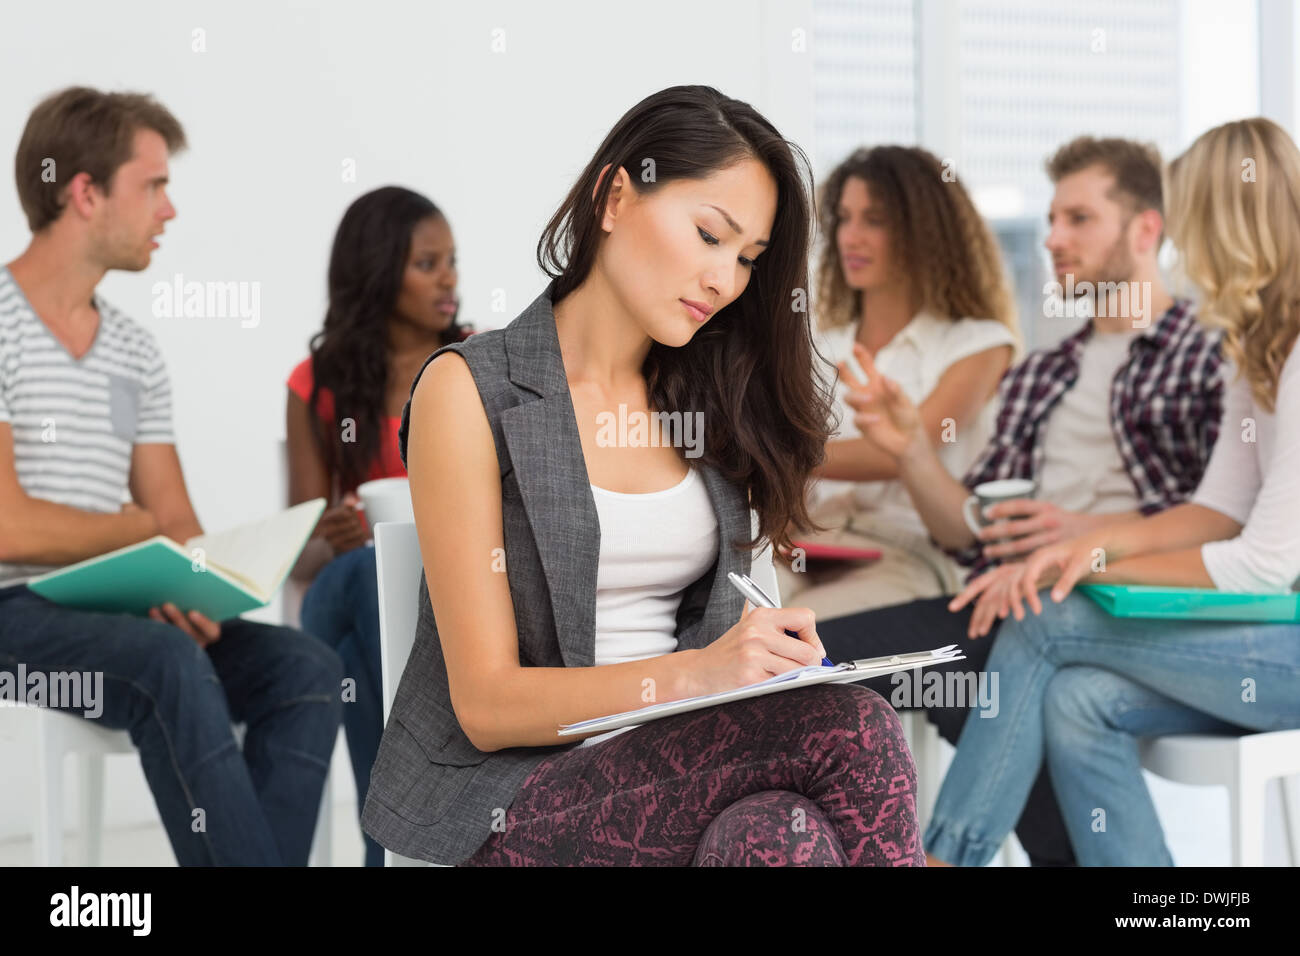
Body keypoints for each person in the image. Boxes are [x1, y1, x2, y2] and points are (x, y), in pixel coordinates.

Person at [361, 84, 924, 867]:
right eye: (708, 234)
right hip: (514, 798)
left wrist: (764, 661)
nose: (726, 280)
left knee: (772, 841)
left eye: (747, 260)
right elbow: (487, 705)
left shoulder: (712, 402)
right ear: (615, 196)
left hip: (687, 774)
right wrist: (701, 674)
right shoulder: (469, 389)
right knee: (855, 727)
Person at [813, 136, 1226, 866]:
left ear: (1146, 230)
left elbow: (1228, 520)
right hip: (1014, 598)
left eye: (1079, 219)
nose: (1055, 239)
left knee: (919, 661)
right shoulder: (1042, 373)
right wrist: (911, 450)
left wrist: (1084, 534)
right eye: (1051, 220)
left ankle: (940, 856)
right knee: (875, 666)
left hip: (1131, 610)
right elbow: (968, 535)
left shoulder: (1206, 353)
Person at [922, 116, 1300, 867]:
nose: (1183, 250)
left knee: (1044, 619)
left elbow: (1263, 565)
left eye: (1191, 226)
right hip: (1268, 642)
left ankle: (941, 860)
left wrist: (1077, 569)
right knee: (1075, 700)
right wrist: (1081, 547)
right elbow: (1211, 513)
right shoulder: (1254, 351)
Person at [0, 87, 343, 865]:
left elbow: (173, 520)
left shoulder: (134, 352)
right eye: (152, 186)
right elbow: (8, 527)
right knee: (165, 663)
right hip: (12, 614)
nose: (170, 210)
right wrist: (135, 532)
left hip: (114, 613)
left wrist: (194, 585)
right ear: (84, 192)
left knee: (308, 670)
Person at [286, 185, 471, 867]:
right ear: (376, 271)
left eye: (452, 260)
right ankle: (407, 837)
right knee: (361, 574)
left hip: (454, 591)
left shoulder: (477, 363)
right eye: (428, 263)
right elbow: (297, 558)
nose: (449, 277)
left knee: (371, 627)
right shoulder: (317, 386)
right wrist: (328, 534)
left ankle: (387, 851)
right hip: (358, 587)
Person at [775, 145, 1019, 619]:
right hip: (812, 542)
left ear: (923, 233)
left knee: (797, 636)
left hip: (905, 552)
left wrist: (782, 449)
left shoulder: (979, 344)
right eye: (844, 218)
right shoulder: (817, 345)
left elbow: (905, 448)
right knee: (724, 620)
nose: (851, 236)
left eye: (876, 220)